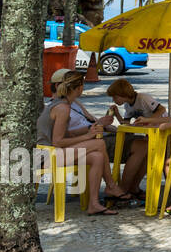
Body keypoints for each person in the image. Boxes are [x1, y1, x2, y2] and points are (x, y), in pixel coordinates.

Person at [37, 70, 130, 215]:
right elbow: (58, 141)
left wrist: (89, 130)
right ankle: (111, 185)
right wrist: (88, 136)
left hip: (51, 153)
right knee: (99, 144)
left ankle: (93, 203)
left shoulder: (62, 104)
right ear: (79, 88)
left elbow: (67, 134)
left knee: (97, 157)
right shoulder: (62, 108)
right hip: (45, 157)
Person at [105, 78, 164, 196]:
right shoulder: (128, 105)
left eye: (115, 97)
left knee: (152, 154)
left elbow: (162, 109)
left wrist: (150, 120)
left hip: (161, 130)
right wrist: (116, 114)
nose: (114, 100)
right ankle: (133, 186)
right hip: (148, 134)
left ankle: (130, 187)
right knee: (144, 151)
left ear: (123, 94)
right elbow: (125, 123)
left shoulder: (143, 98)